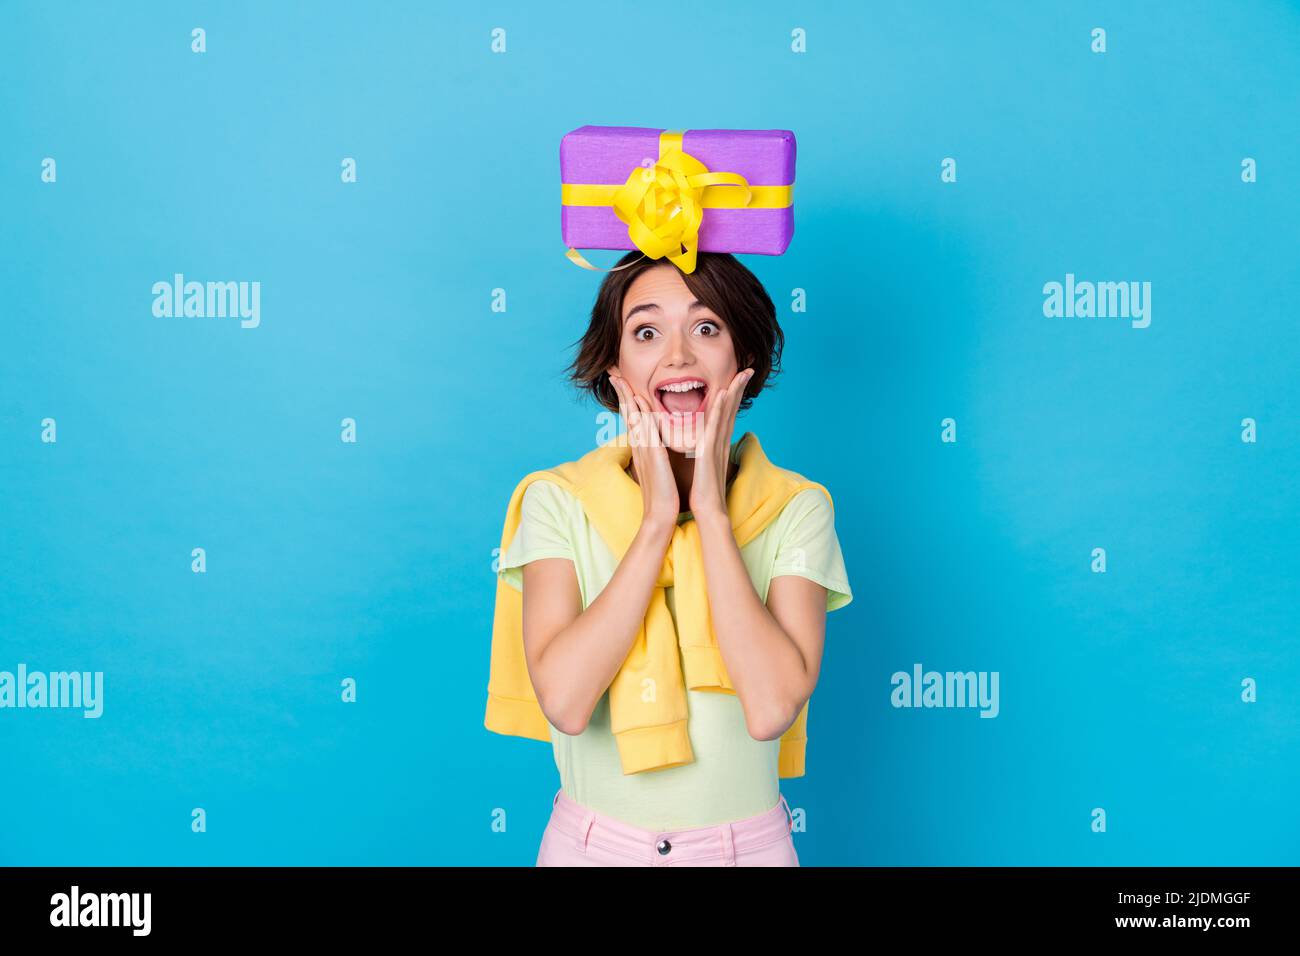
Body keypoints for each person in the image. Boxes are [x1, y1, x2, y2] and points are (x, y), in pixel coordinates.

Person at [495, 250, 853, 866]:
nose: (679, 356)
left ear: (744, 359)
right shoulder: (555, 500)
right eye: (647, 331)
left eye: (707, 327)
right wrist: (658, 520)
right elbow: (566, 702)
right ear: (615, 369)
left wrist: (712, 515)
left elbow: (770, 710)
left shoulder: (798, 506)